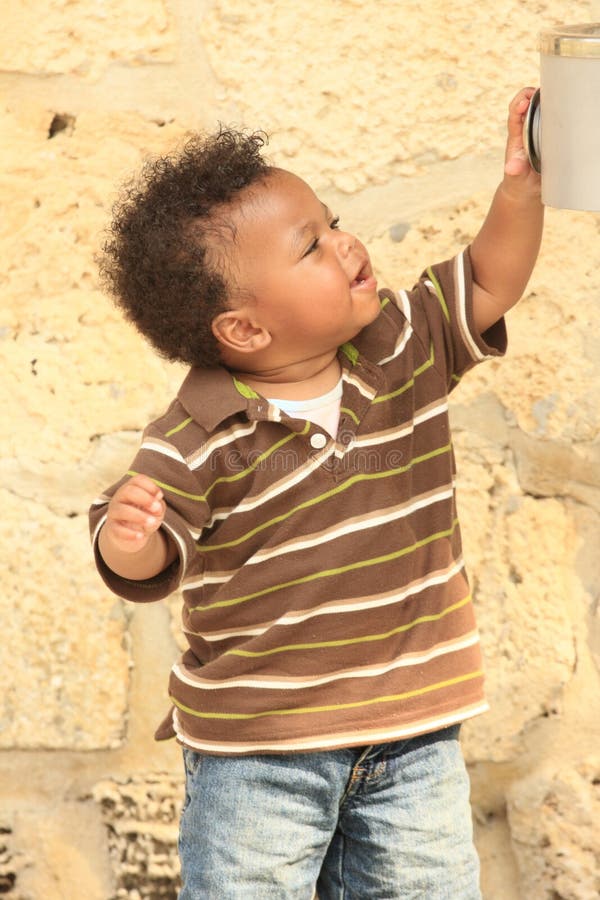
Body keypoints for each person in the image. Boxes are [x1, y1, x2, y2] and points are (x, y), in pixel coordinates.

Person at [89, 88, 543, 899]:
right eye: (312, 247)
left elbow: (489, 283)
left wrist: (519, 188)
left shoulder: (403, 344)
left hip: (414, 737)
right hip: (257, 756)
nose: (346, 243)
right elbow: (144, 551)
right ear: (246, 330)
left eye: (332, 222)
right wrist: (129, 538)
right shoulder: (198, 434)